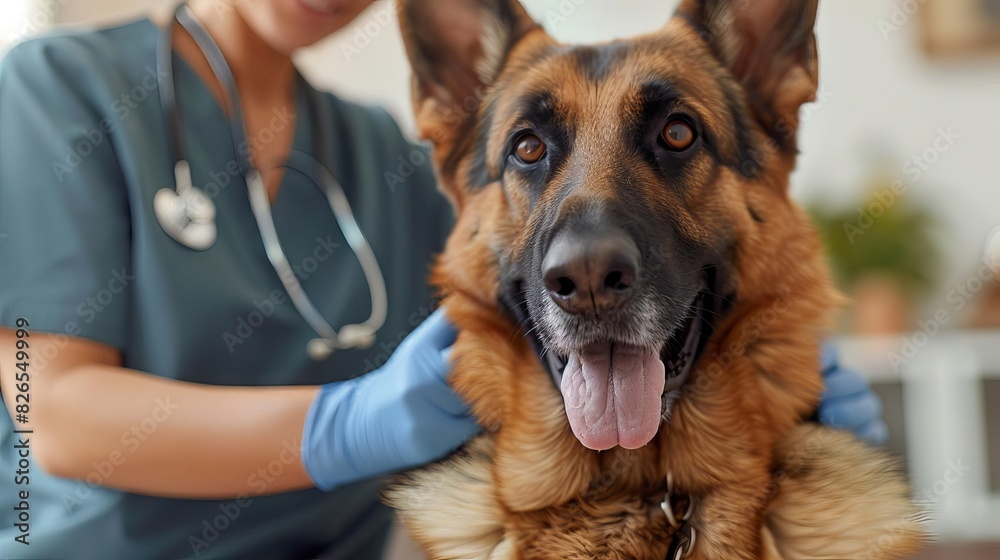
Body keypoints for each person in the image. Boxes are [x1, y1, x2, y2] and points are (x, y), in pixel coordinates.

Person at [0, 0, 887, 558]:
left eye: (678, 137)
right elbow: (52, 411)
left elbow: (509, 332)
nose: (584, 262)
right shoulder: (56, 90)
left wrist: (775, 360)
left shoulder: (381, 152)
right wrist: (343, 428)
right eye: (532, 148)